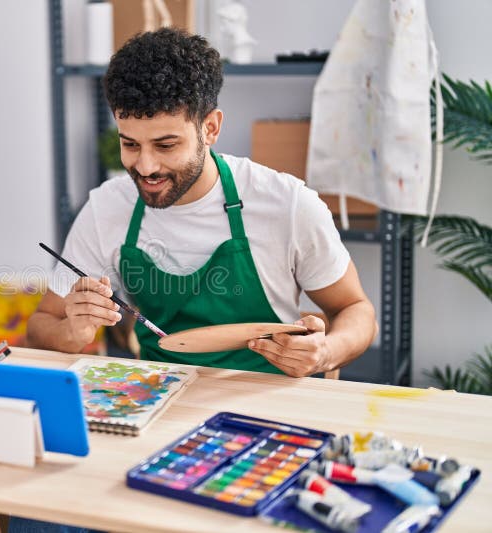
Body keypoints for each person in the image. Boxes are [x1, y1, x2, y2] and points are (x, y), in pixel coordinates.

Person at [26, 27, 377, 380]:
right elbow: (42, 325)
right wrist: (72, 332)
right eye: (130, 144)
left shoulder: (287, 204)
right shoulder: (107, 208)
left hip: (265, 396)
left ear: (210, 128)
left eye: (165, 146)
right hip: (156, 394)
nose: (145, 167)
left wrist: (324, 353)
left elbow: (356, 309)